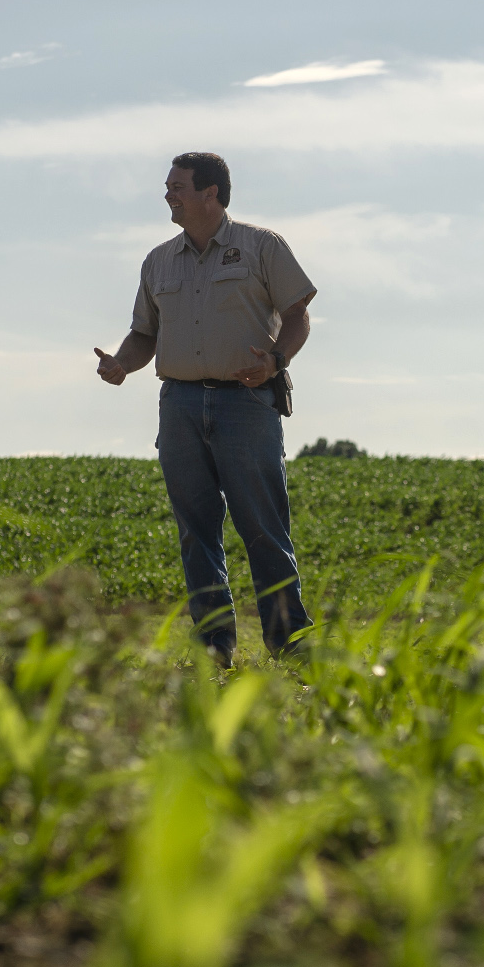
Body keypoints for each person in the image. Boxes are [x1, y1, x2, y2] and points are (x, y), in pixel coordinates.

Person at [94, 152, 316, 667]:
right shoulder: (157, 260)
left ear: (210, 192)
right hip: (180, 405)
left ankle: (290, 643)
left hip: (248, 402)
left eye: (177, 185)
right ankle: (216, 649)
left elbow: (298, 314)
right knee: (195, 531)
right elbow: (144, 334)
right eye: (168, 185)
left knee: (263, 527)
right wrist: (122, 366)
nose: (168, 194)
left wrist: (277, 362)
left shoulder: (262, 246)